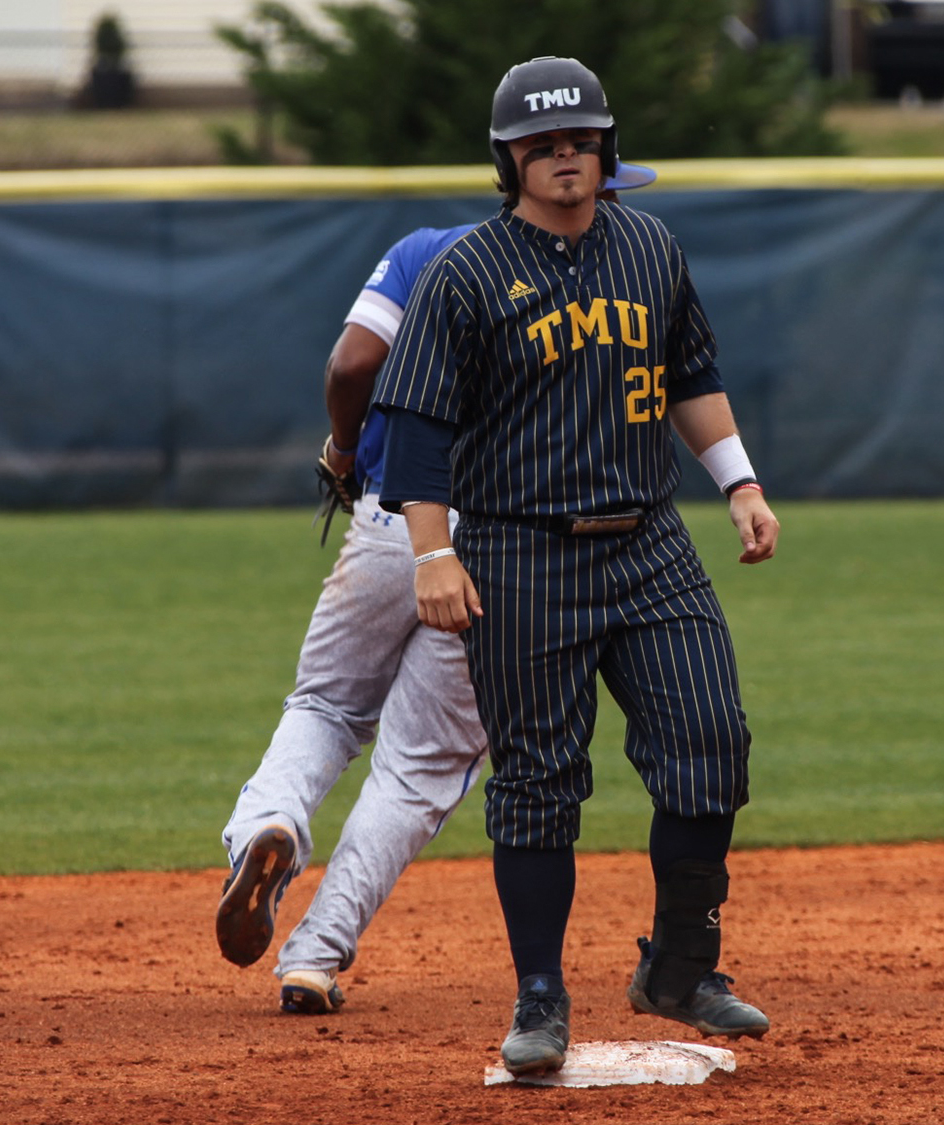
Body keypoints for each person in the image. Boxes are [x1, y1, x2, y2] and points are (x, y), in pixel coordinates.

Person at [372, 56, 780, 1077]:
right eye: (542, 145)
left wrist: (738, 482)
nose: (565, 157)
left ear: (606, 150)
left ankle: (680, 966)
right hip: (518, 550)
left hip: (648, 542)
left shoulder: (650, 247)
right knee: (539, 781)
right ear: (507, 159)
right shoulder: (465, 272)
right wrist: (432, 552)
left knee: (710, 741)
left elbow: (691, 375)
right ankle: (539, 995)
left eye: (581, 141)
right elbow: (416, 429)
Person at [213, 161, 661, 1016]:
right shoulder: (608, 294)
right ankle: (314, 955)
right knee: (418, 769)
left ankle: (270, 825)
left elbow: (352, 364)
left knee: (326, 706)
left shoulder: (428, 250)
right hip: (503, 545)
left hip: (392, 518)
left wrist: (343, 451)